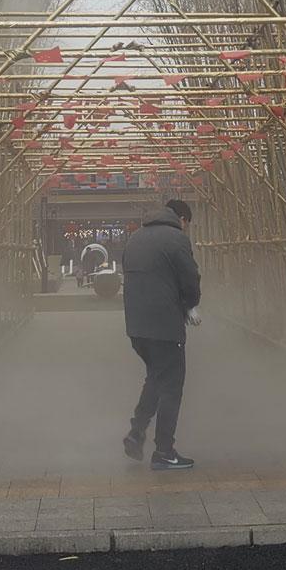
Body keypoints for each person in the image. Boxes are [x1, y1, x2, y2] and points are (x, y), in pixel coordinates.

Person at [120, 198, 201, 471]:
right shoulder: (176, 239)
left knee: (156, 378)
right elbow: (190, 279)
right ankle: (164, 451)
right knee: (171, 386)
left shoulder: (135, 238)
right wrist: (190, 305)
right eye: (187, 224)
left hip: (137, 327)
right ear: (182, 219)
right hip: (165, 326)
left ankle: (136, 432)